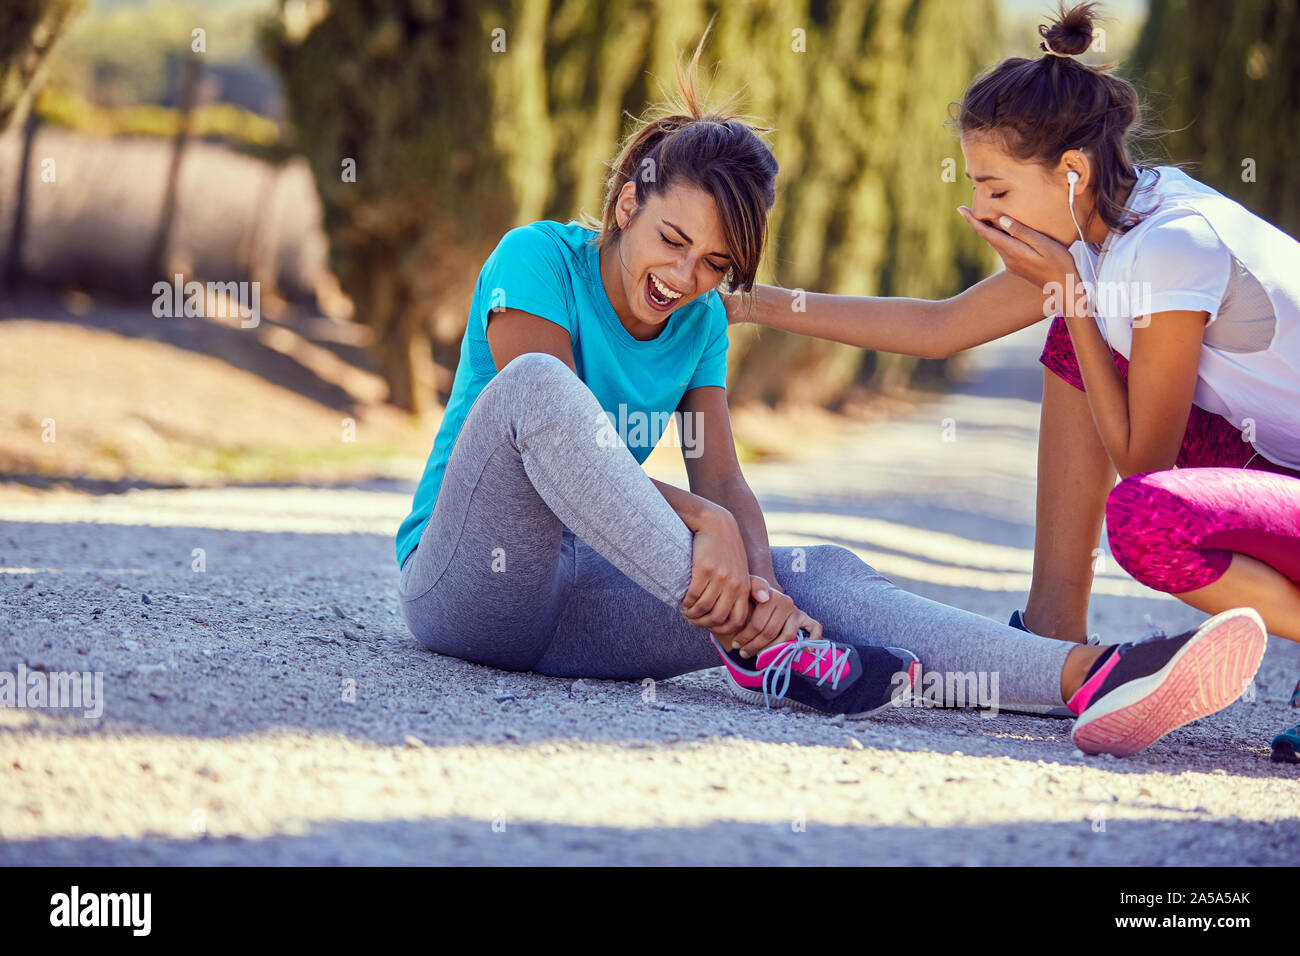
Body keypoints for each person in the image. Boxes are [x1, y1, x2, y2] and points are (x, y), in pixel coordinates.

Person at [394, 34, 1267, 757]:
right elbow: (549, 439)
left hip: (586, 608)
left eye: (716, 266)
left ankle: (1088, 676)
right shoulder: (536, 259)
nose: (686, 276)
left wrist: (765, 577)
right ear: (627, 203)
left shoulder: (698, 317)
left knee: (825, 572)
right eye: (672, 240)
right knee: (544, 388)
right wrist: (706, 526)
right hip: (471, 587)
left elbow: (725, 481)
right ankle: (765, 649)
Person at [725, 2, 1298, 761]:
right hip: (1278, 477)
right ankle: (1054, 625)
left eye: (995, 189)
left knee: (1112, 423)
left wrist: (1072, 296)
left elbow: (1149, 476)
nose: (979, 211)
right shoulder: (1099, 228)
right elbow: (937, 328)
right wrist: (748, 302)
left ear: (1071, 173)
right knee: (1074, 325)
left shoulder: (1167, 245)